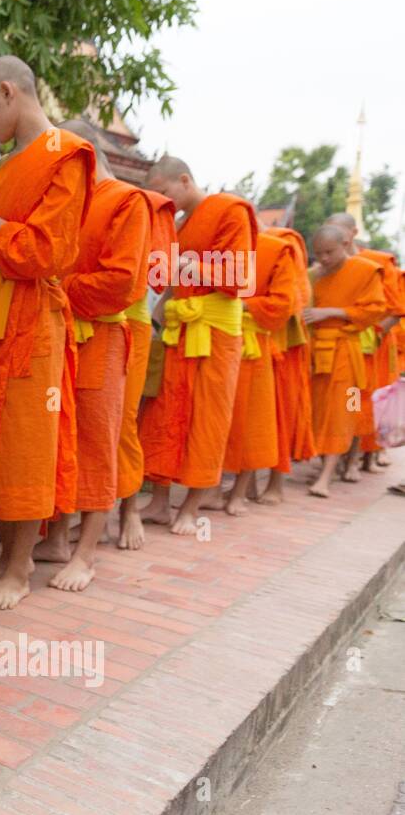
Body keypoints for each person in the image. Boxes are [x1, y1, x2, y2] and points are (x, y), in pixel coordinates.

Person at [0, 56, 94, 609]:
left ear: (8, 92)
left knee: (27, 444)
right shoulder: (12, 162)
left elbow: (48, 251)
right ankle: (8, 554)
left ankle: (20, 568)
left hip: (33, 319)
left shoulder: (67, 155)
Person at [33, 120, 150, 591]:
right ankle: (58, 537)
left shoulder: (126, 201)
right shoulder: (66, 198)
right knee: (62, 438)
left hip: (100, 337)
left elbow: (122, 282)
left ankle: (86, 555)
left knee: (97, 443)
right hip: (60, 335)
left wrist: (60, 287)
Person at [139, 156, 256, 534]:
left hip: (216, 334)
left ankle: (190, 507)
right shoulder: (181, 223)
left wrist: (189, 267)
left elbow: (240, 277)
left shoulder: (229, 210)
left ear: (185, 180)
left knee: (208, 419)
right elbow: (166, 278)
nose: (164, 201)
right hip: (179, 329)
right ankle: (159, 502)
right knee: (167, 414)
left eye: (164, 192)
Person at [203, 228, 300, 514]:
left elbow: (283, 304)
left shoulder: (275, 250)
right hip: (213, 337)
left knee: (250, 421)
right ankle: (210, 487)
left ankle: (239, 493)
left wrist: (241, 304)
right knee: (217, 418)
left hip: (254, 345)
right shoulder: (214, 244)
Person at [305, 225, 387, 498]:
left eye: (329, 252)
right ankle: (329, 463)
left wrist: (331, 311)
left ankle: (329, 475)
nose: (324, 258)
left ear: (345, 243)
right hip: (318, 354)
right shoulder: (315, 275)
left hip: (348, 357)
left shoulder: (364, 271)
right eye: (319, 253)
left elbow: (376, 309)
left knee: (347, 410)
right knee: (319, 411)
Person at [117, 189, 177, 549]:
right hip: (75, 323)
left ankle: (129, 510)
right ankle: (62, 528)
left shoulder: (144, 207)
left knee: (124, 424)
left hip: (128, 327)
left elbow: (158, 276)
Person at [255, 226, 316, 504]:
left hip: (285, 344)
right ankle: (245, 485)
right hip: (249, 339)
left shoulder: (283, 244)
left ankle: (276, 482)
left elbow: (292, 301)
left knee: (283, 411)